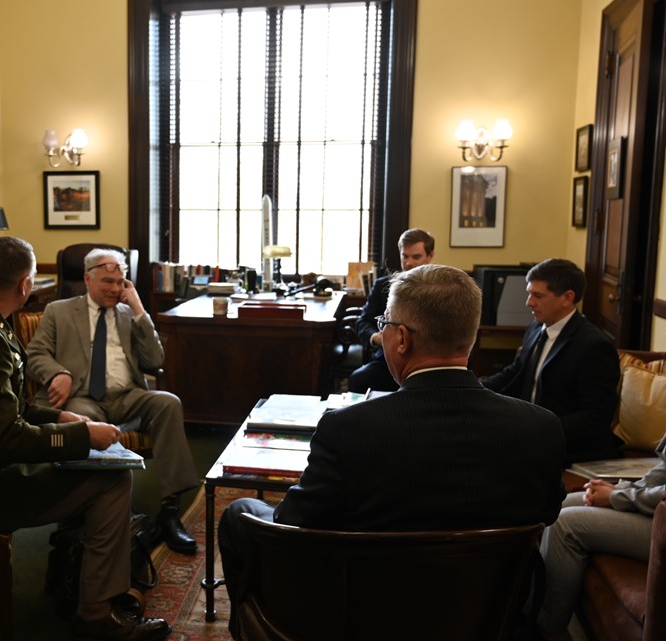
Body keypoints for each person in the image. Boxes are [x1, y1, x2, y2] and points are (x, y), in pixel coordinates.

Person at [219, 264, 566, 637]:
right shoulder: (540, 428)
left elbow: (293, 524)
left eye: (383, 323)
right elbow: (546, 513)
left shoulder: (347, 429)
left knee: (240, 514)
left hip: (361, 618)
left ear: (402, 338)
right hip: (485, 617)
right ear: (471, 334)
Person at [0, 236, 171, 641]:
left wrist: (59, 416)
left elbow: (10, 407)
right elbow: (8, 439)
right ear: (24, 285)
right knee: (113, 479)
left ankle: (73, 570)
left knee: (90, 467)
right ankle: (96, 614)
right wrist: (81, 436)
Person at [536, 289, 666, 641]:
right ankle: (539, 615)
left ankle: (545, 631)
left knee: (568, 524)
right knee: (554, 506)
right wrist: (622, 490)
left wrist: (617, 498)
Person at [26, 248, 199, 554]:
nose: (115, 289)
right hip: (82, 398)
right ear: (87, 279)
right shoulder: (59, 311)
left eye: (120, 282)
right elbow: (35, 354)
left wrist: (139, 310)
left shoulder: (127, 314)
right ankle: (88, 509)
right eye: (107, 281)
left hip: (128, 396)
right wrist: (59, 373)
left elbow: (155, 359)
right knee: (82, 421)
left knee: (168, 402)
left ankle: (170, 510)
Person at [481, 258, 621, 464]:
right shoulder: (537, 327)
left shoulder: (594, 346)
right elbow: (516, 370)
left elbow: (596, 417)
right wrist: (475, 388)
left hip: (568, 448)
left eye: (537, 295)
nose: (529, 302)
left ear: (567, 298)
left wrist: (536, 430)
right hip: (532, 436)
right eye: (529, 293)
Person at [347, 227, 435, 394]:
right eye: (405, 256)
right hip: (388, 362)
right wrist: (376, 337)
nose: (409, 263)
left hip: (427, 362)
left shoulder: (440, 288)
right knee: (358, 380)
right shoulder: (383, 285)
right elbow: (362, 322)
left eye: (416, 257)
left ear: (430, 256)